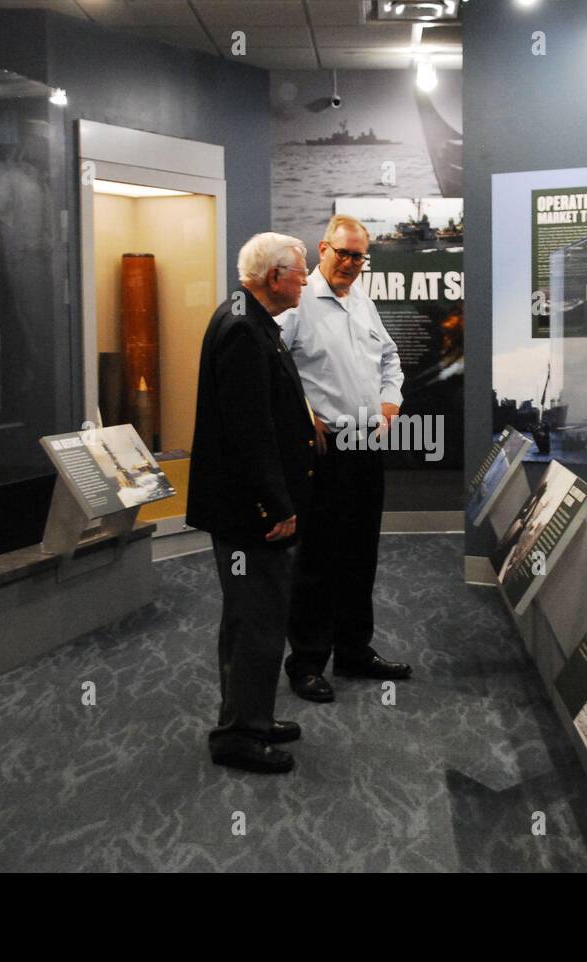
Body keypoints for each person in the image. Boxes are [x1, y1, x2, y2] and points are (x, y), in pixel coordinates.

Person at [186, 232, 315, 774]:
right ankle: (239, 737)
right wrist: (276, 505)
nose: (307, 279)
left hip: (247, 508)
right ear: (274, 277)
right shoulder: (243, 327)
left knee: (253, 618)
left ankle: (251, 717)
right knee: (256, 621)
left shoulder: (248, 317)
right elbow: (249, 432)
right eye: (301, 271)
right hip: (250, 514)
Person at [279, 214, 412, 702]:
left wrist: (391, 400)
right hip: (324, 451)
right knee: (317, 559)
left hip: (364, 446)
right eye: (344, 253)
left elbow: (390, 358)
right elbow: (272, 365)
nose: (352, 264)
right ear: (323, 249)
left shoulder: (362, 302)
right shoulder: (297, 303)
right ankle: (308, 661)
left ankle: (354, 650)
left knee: (361, 553)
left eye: (360, 256)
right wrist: (302, 409)